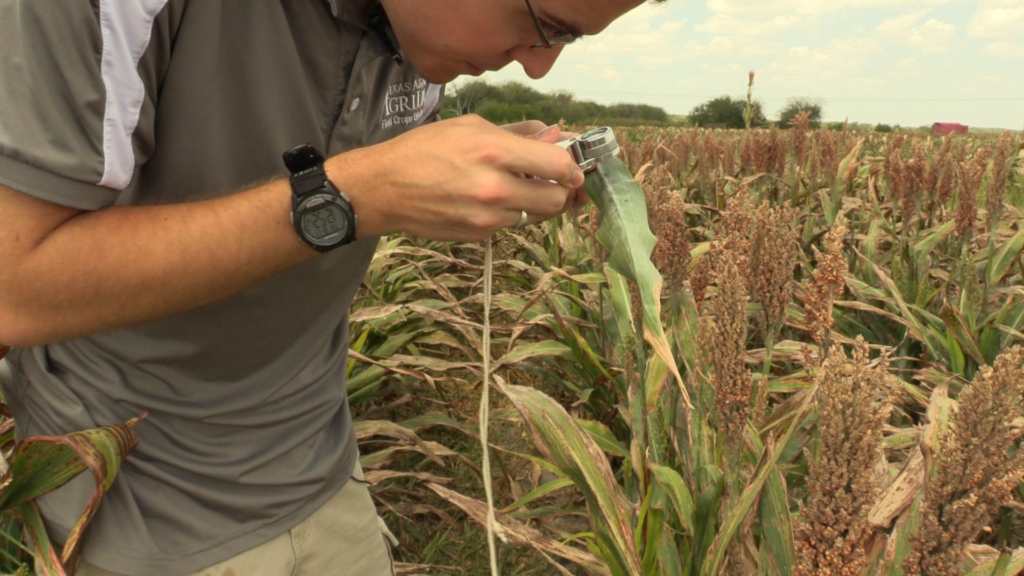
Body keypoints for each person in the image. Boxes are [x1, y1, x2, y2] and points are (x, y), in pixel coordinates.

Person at [0, 0, 648, 574]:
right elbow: (15, 288)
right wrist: (353, 195)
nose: (538, 69)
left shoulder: (423, 34)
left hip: (324, 468)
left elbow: (357, 157)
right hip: (141, 511)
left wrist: (472, 168)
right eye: (545, 27)